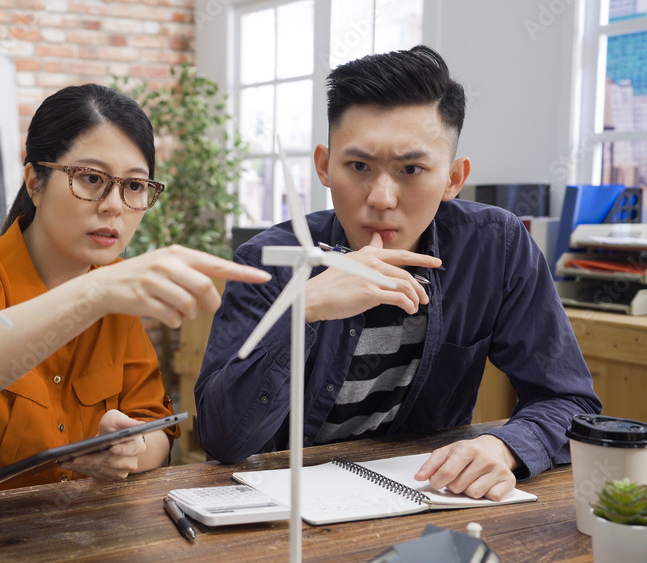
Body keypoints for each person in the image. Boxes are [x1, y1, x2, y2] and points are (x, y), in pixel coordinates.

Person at [195, 46, 601, 501]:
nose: (382, 198)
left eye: (411, 169)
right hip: (280, 509)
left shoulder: (495, 246)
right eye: (359, 166)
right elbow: (222, 439)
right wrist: (302, 311)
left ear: (452, 178)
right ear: (325, 167)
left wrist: (504, 445)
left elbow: (570, 401)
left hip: (429, 501)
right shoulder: (270, 259)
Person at [0, 84, 270, 507]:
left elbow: (157, 430)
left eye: (134, 186)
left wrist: (130, 450)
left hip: (70, 535)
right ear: (35, 183)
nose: (114, 205)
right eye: (92, 178)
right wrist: (93, 292)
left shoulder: (117, 289)